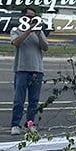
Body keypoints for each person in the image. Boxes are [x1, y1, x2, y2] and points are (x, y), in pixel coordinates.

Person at [10, 7, 48, 135]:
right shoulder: (16, 30)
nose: (32, 20)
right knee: (18, 100)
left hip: (36, 70)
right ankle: (15, 124)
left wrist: (38, 34)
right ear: (23, 17)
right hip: (21, 69)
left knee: (34, 101)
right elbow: (16, 42)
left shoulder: (39, 32)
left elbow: (45, 48)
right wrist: (28, 31)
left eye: (34, 17)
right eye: (29, 17)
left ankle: (30, 123)